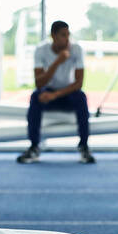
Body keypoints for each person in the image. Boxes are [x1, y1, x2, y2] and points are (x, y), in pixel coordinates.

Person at [17, 20, 94, 164]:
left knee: (81, 97)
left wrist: (55, 95)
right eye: (63, 35)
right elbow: (39, 83)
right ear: (53, 36)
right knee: (35, 97)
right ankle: (34, 147)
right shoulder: (41, 50)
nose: (67, 39)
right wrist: (58, 61)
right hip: (48, 93)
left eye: (68, 35)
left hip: (67, 93)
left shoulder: (76, 49)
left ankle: (84, 146)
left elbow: (79, 83)